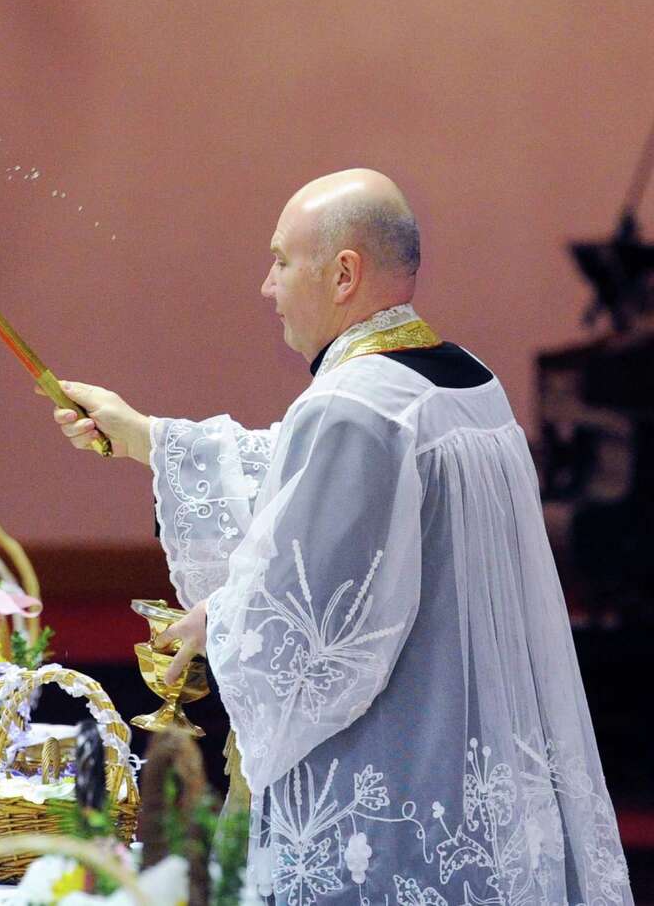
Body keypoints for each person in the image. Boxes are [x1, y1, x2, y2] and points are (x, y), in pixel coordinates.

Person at [47, 169, 633, 905]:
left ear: (345, 273)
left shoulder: (355, 405)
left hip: (396, 766)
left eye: (281, 261)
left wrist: (220, 622)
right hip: (470, 751)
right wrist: (151, 440)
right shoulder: (465, 381)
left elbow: (322, 626)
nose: (267, 285)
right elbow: (324, 498)